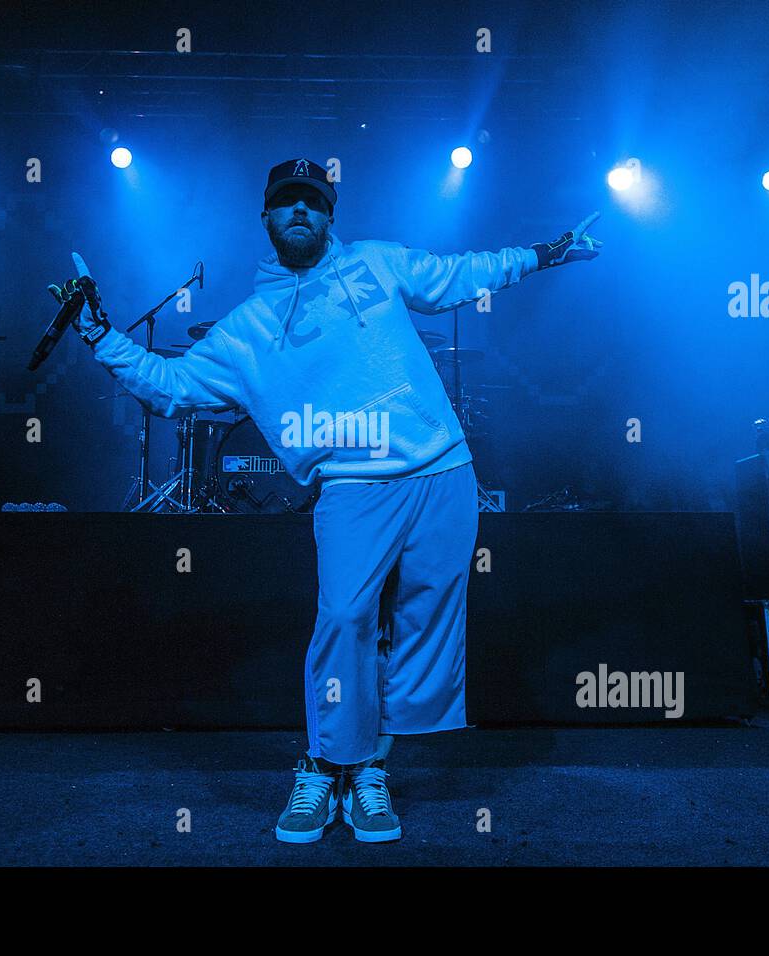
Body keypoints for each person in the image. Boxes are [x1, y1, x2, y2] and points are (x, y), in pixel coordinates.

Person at [72, 158, 602, 843]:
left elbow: (461, 274)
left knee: (423, 629)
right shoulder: (246, 328)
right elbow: (169, 386)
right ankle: (321, 767)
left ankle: (369, 773)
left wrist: (547, 252)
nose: (301, 211)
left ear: (330, 216)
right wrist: (98, 335)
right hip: (350, 487)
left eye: (313, 202)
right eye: (287, 201)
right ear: (265, 217)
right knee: (346, 620)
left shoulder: (378, 263)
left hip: (442, 472)